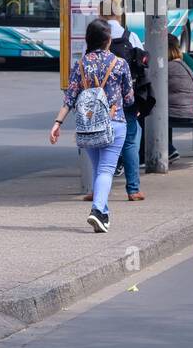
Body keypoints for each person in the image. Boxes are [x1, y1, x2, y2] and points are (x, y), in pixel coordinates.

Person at [50, 19, 135, 233]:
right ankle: (97, 210)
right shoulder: (119, 64)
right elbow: (129, 97)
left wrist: (57, 123)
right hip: (114, 123)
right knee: (107, 170)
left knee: (99, 170)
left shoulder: (80, 65)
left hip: (87, 126)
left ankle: (103, 216)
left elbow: (69, 98)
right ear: (108, 41)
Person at [105, 13, 147, 200]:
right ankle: (133, 189)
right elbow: (142, 65)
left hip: (99, 102)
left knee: (98, 143)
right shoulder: (131, 37)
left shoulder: (93, 36)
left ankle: (94, 188)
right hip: (124, 99)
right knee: (130, 141)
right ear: (119, 15)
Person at [167, 33, 193, 161]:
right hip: (191, 110)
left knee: (146, 119)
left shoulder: (168, 67)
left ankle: (169, 151)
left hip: (179, 113)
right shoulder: (184, 64)